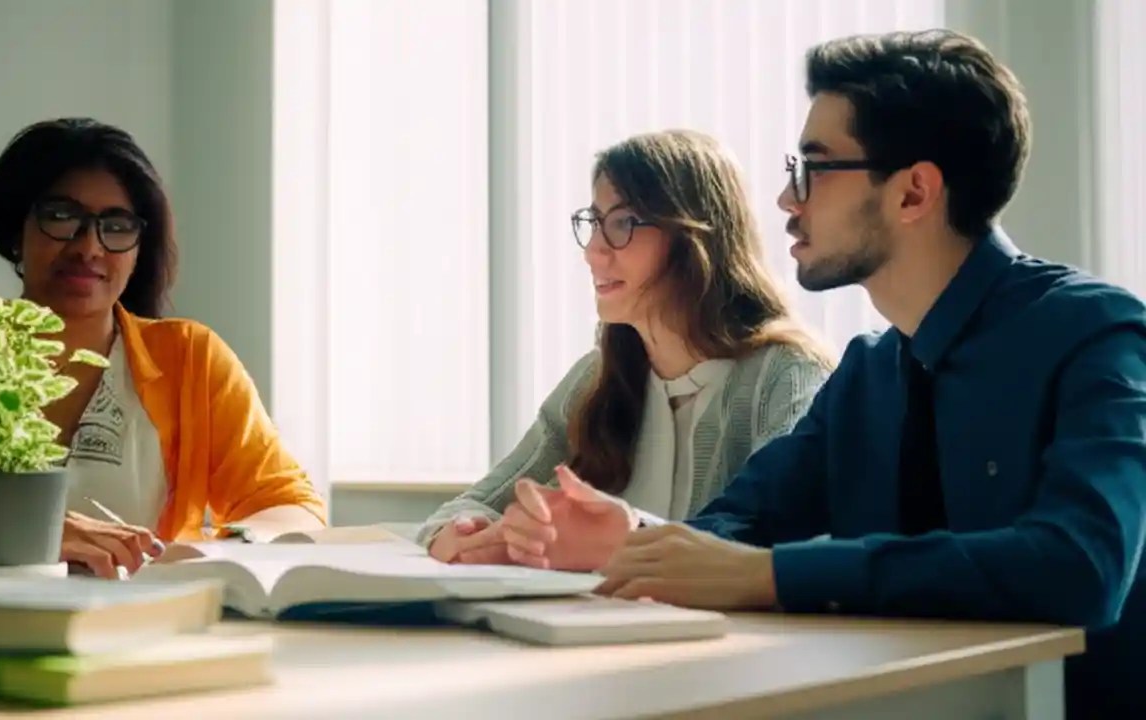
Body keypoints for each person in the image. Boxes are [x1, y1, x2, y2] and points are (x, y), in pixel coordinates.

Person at [498, 30, 1146, 718]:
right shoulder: (867, 374)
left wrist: (772, 576)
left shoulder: (1098, 334)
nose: (786, 198)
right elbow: (740, 524)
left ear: (913, 192)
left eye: (812, 168)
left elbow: (1081, 566)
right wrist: (631, 536)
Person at [0, 118, 326, 578]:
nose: (89, 247)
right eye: (62, 217)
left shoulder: (191, 358)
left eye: (117, 225)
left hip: (139, 633)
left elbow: (293, 508)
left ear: (138, 248)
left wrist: (217, 546)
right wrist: (29, 545)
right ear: (15, 231)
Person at [420, 129, 833, 567]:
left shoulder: (789, 376)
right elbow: (469, 507)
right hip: (599, 632)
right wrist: (465, 535)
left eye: (622, 223)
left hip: (731, 637)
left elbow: (782, 544)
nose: (594, 252)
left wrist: (621, 546)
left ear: (695, 237)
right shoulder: (596, 379)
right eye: (594, 222)